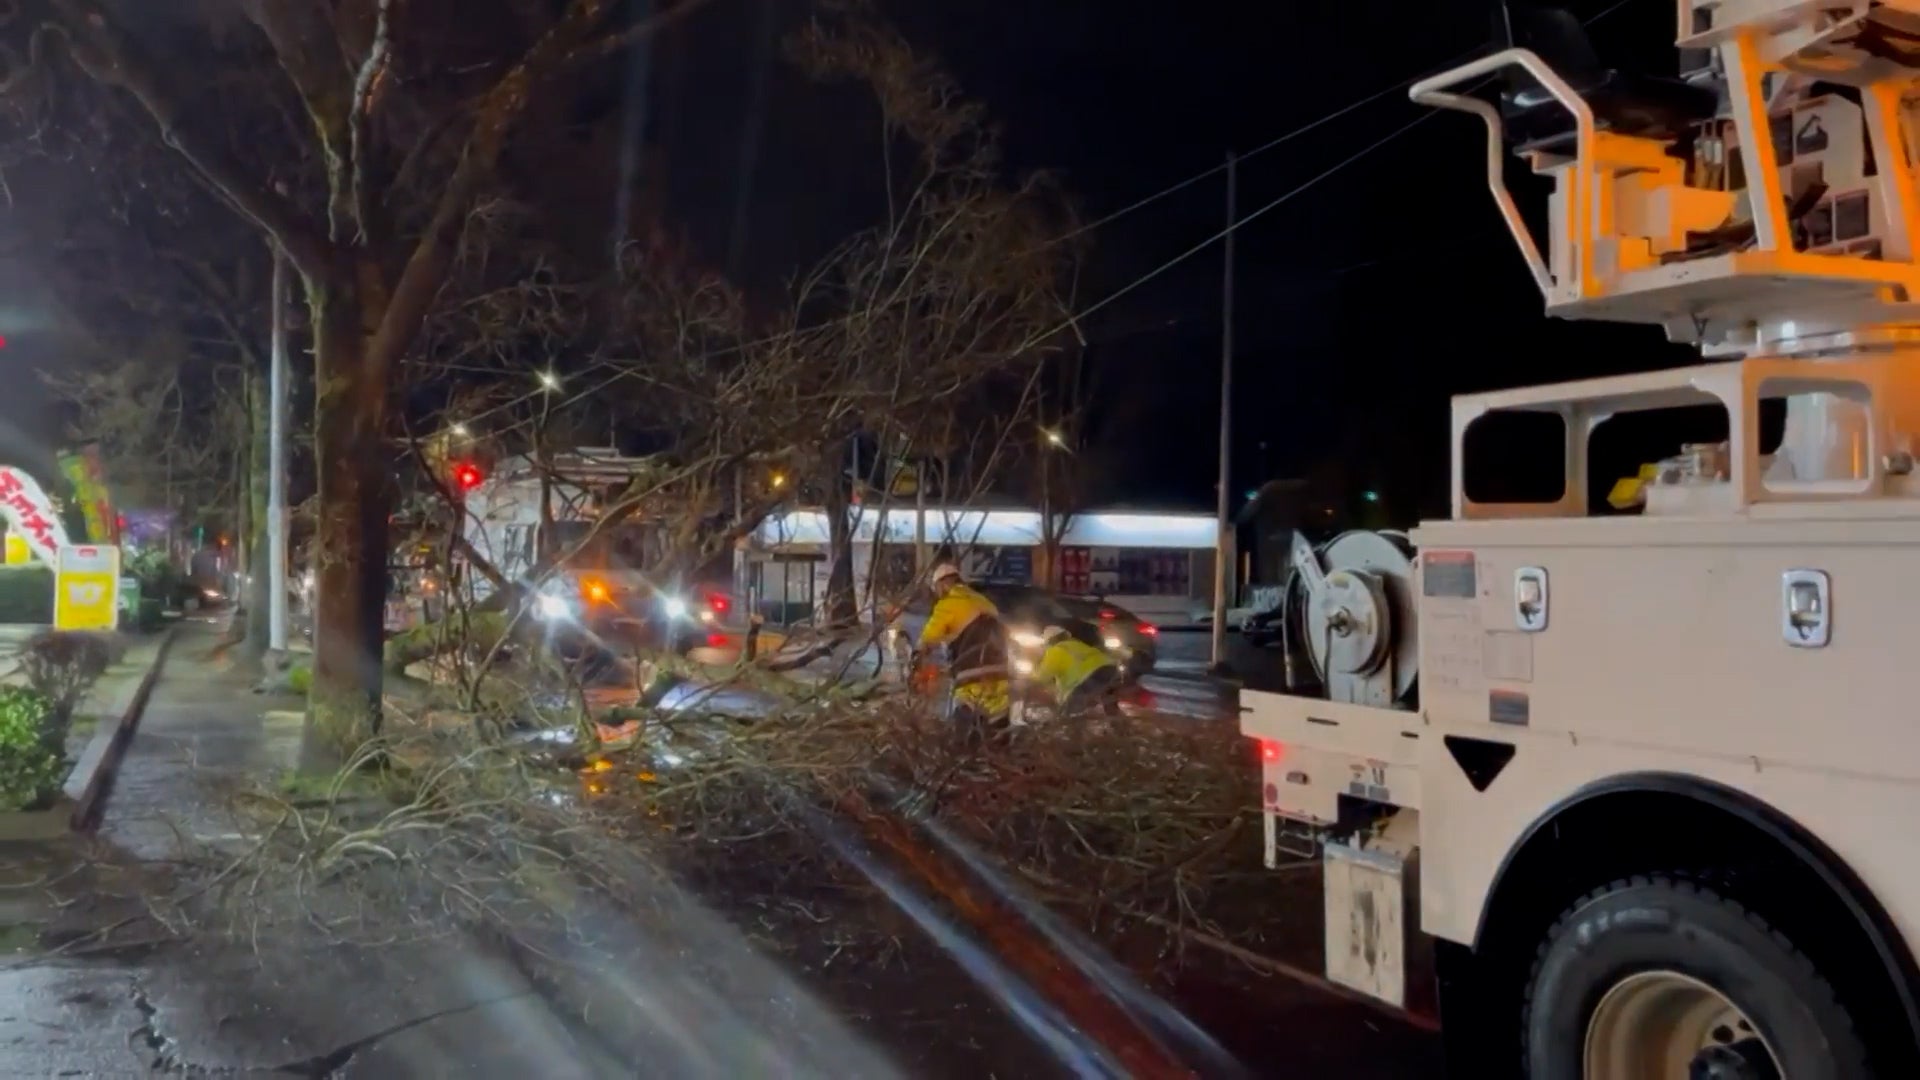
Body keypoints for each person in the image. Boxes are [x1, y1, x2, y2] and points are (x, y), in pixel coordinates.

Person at [916, 563, 1011, 734]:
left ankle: (963, 753)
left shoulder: (949, 604)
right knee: (998, 716)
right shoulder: (983, 601)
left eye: (937, 588)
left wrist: (919, 652)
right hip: (1000, 670)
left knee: (966, 713)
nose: (937, 593)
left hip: (971, 669)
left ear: (943, 584)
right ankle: (999, 751)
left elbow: (928, 638)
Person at [1032, 625, 1122, 717]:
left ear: (1049, 641)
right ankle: (1119, 723)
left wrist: (1030, 679)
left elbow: (1042, 676)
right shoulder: (1078, 645)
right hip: (1111, 671)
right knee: (1108, 703)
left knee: (1071, 711)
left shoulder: (1056, 651)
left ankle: (1075, 725)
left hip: (1090, 676)